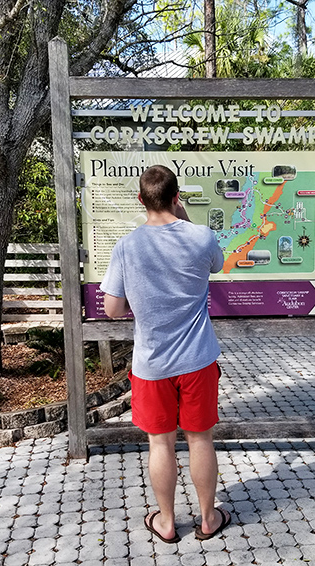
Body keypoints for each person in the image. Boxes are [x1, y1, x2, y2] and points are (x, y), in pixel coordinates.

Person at [100, 164, 230, 544]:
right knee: (200, 439)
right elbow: (218, 264)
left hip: (151, 364)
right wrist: (184, 216)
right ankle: (208, 519)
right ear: (176, 197)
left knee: (160, 442)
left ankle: (168, 522)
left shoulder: (126, 246)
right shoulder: (201, 237)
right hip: (198, 360)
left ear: (141, 200)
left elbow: (112, 309)